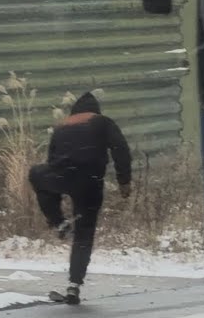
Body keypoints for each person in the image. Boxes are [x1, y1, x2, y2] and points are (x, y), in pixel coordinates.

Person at [28, 91, 132, 304]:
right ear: (96, 111)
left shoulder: (62, 126)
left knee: (37, 174)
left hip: (62, 175)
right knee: (84, 234)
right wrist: (124, 180)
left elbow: (51, 158)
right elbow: (121, 149)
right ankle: (74, 285)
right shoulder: (103, 122)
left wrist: (55, 201)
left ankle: (59, 222)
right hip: (90, 181)